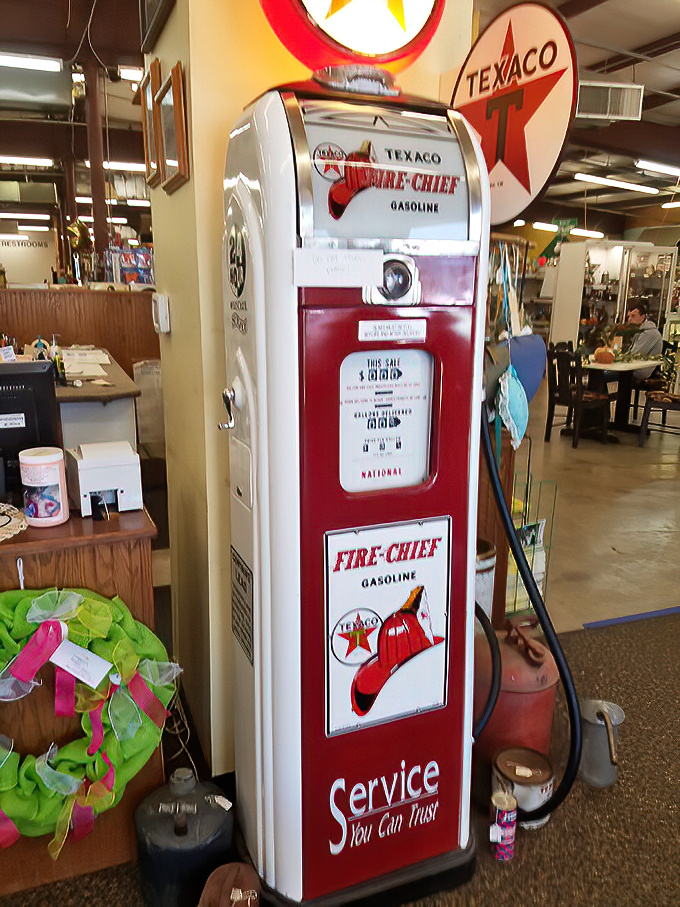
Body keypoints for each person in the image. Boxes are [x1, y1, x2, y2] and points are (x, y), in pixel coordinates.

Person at [626, 303, 662, 380]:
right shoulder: (641, 331)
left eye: (633, 316)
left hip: (640, 370)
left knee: (604, 374)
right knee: (602, 373)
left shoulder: (649, 333)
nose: (629, 319)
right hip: (634, 367)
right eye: (629, 316)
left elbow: (635, 355)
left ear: (642, 317)